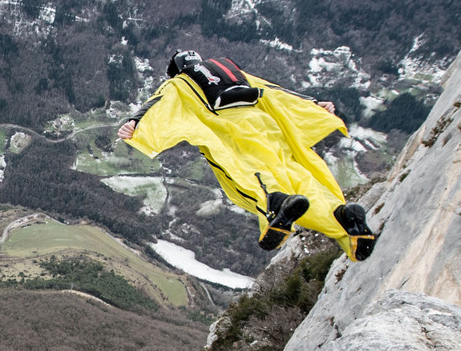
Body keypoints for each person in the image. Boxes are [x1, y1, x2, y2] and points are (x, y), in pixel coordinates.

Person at [119, 51, 376, 261]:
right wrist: (313, 104)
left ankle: (275, 207)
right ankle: (343, 220)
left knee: (250, 177)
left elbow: (158, 102)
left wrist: (134, 123)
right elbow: (273, 90)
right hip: (266, 126)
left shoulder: (180, 82)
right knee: (294, 172)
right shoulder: (229, 70)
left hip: (231, 133)